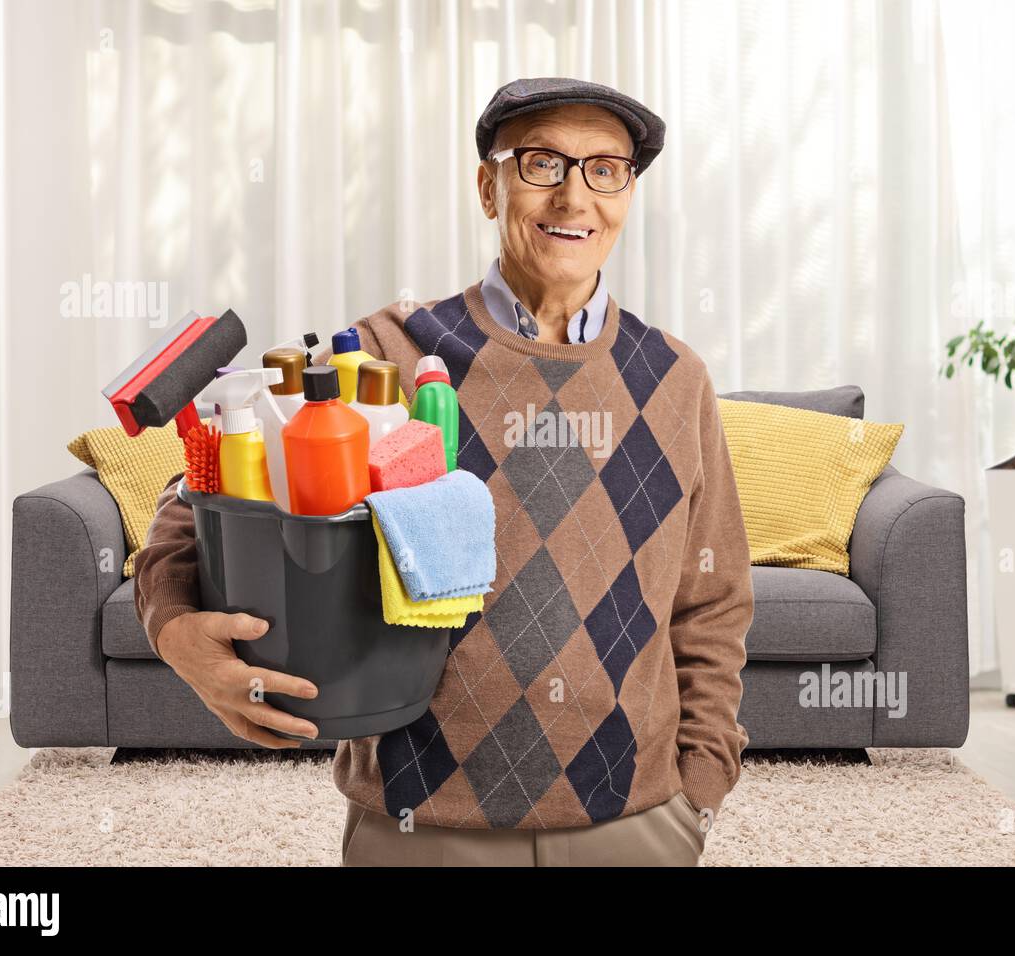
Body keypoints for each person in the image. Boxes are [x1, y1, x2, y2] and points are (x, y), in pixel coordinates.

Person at [133, 77, 754, 867]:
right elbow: (203, 488)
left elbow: (714, 603)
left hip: (634, 819)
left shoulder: (676, 379)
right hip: (419, 819)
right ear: (488, 187)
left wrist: (700, 787)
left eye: (606, 168)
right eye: (541, 163)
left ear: (627, 192)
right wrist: (175, 630)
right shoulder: (381, 358)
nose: (574, 196)